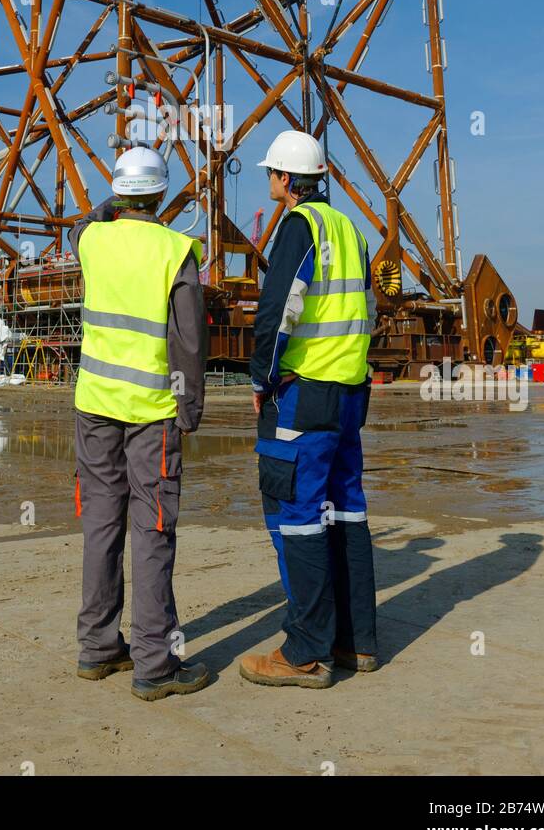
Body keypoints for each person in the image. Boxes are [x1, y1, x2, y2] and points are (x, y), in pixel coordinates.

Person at [69, 145, 210, 701]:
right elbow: (190, 343)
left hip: (94, 406)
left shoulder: (91, 241)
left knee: (101, 525)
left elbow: (85, 221)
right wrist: (190, 408)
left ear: (119, 192)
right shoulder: (177, 250)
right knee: (152, 531)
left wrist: (114, 199)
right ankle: (155, 663)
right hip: (151, 414)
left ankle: (98, 648)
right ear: (160, 193)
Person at [239, 130, 379, 689]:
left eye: (271, 172)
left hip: (304, 393)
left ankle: (305, 654)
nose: (268, 179)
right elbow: (367, 307)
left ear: (286, 180)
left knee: (296, 516)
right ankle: (355, 641)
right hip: (349, 392)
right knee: (346, 512)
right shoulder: (350, 230)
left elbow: (278, 308)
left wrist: (261, 378)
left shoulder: (300, 227)